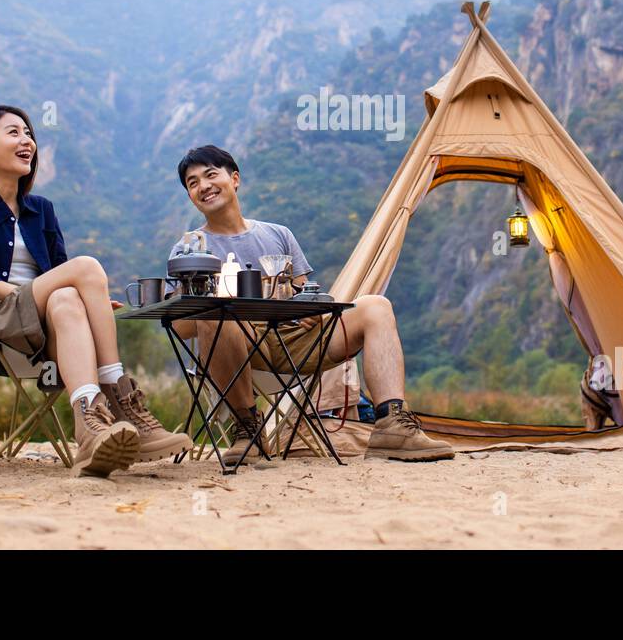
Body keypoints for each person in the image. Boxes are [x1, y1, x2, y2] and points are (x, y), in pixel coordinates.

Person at [0, 105, 189, 476]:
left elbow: (60, 278)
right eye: (13, 132)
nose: (27, 140)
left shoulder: (41, 210)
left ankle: (90, 425)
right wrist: (46, 292)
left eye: (28, 133)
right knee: (85, 269)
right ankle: (119, 395)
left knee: (67, 296)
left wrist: (88, 300)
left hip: (43, 321)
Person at [168, 144, 453, 466]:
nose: (203, 186)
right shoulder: (190, 248)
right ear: (190, 196)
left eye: (210, 175)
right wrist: (217, 304)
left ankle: (392, 424)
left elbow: (306, 294)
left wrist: (313, 312)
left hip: (297, 343)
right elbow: (180, 326)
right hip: (243, 350)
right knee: (215, 315)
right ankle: (247, 429)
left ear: (234, 179)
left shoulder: (278, 234)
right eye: (192, 183)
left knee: (376, 305)